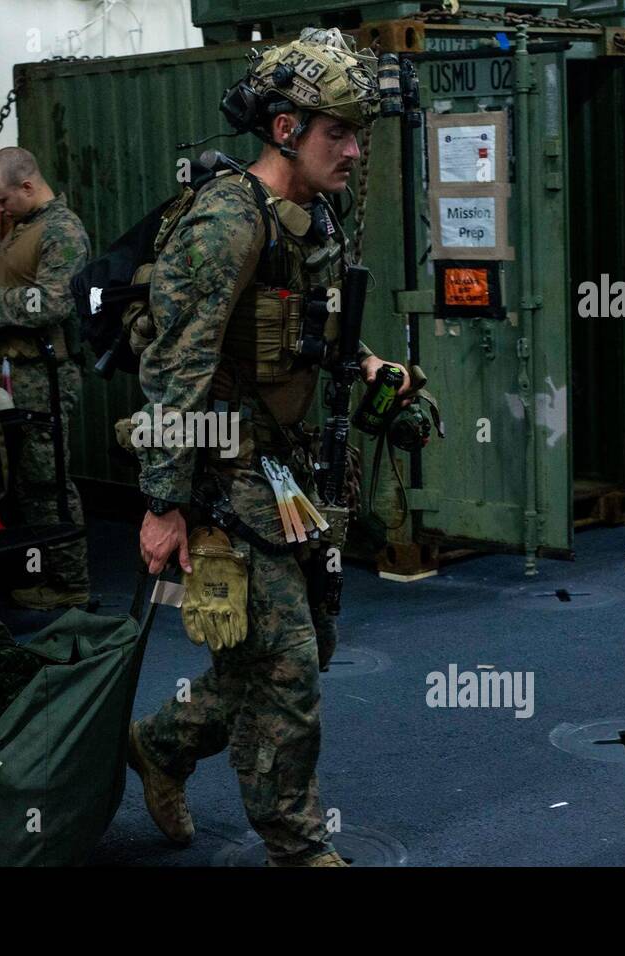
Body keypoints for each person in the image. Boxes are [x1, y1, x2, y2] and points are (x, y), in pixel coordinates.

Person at [125, 29, 412, 867]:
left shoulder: (311, 215)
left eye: (358, 134)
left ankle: (159, 747)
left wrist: (367, 365)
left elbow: (298, 332)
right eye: (339, 134)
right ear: (285, 130)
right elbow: (177, 369)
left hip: (292, 470)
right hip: (228, 473)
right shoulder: (225, 220)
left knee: (291, 651)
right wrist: (162, 505)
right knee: (289, 672)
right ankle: (295, 845)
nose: (355, 151)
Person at [0, 147, 92, 611]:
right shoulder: (25, 228)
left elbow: (51, 304)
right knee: (30, 484)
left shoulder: (62, 232)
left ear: (28, 187)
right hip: (16, 372)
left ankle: (72, 584)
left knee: (50, 482)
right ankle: (47, 574)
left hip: (44, 374)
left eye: (3, 199)